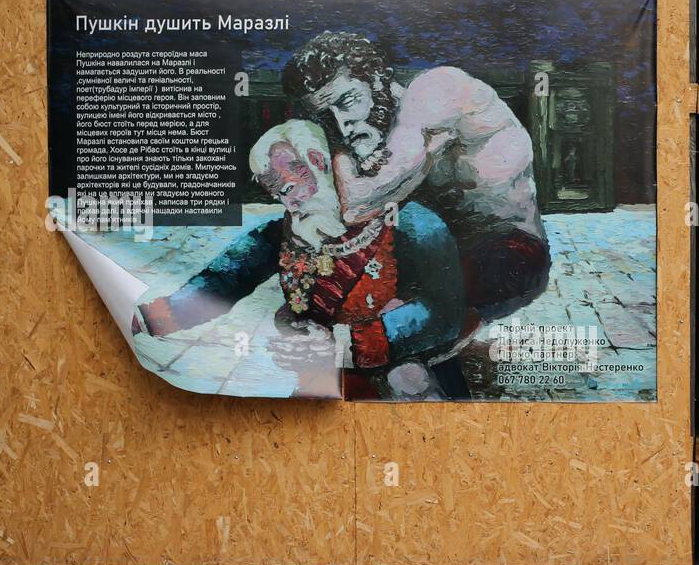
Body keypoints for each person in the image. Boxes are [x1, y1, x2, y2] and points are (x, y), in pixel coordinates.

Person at [132, 119, 469, 399]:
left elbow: (444, 311)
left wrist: (344, 343)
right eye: (278, 195)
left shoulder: (411, 221)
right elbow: (223, 281)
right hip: (324, 374)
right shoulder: (280, 233)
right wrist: (147, 318)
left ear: (318, 164)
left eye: (289, 189)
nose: (288, 205)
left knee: (409, 382)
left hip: (409, 363)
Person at [281, 31, 549, 325]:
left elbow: (356, 205)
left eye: (348, 99)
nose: (342, 125)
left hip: (509, 253)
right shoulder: (372, 128)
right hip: (442, 251)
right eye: (326, 115)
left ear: (377, 79)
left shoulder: (432, 91)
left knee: (390, 322)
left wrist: (342, 150)